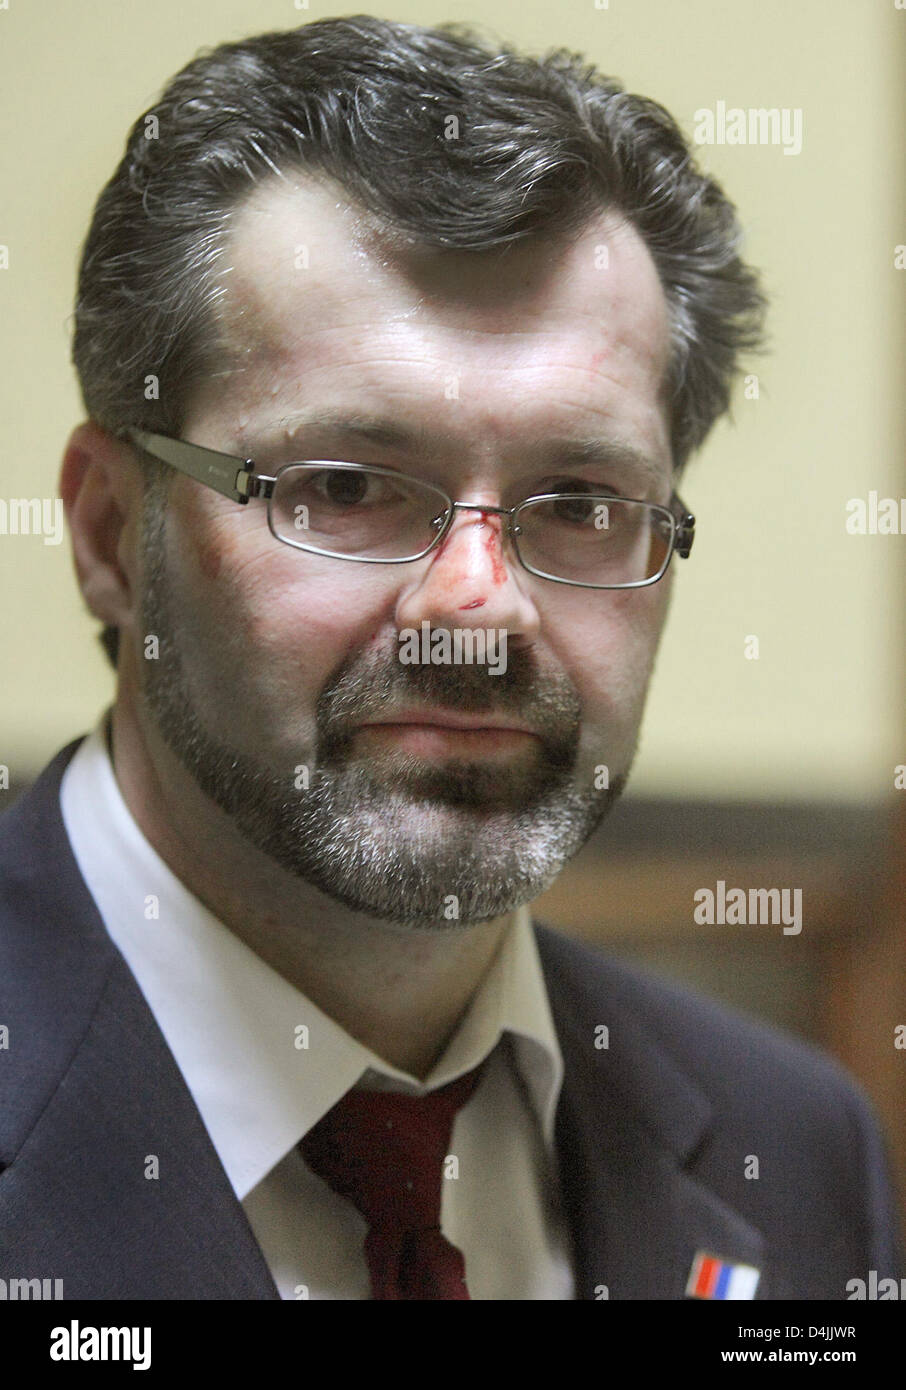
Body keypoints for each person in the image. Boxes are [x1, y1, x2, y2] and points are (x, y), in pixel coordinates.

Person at [0, 15, 900, 1301]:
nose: (480, 609)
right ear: (109, 536)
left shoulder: (795, 1149)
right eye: (351, 484)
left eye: (583, 503)